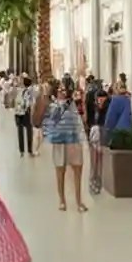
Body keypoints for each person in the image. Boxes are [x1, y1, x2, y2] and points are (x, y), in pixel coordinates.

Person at [40, 81, 87, 212]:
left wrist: (82, 138)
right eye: (60, 90)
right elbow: (50, 121)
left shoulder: (73, 104)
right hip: (59, 141)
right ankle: (62, 200)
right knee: (60, 171)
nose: (63, 92)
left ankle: (79, 201)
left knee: (77, 169)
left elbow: (79, 121)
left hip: (74, 140)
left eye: (64, 90)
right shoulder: (53, 106)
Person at [13, 75, 37, 156]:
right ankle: (29, 150)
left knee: (20, 132)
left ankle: (21, 151)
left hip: (17, 113)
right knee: (29, 131)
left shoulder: (17, 90)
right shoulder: (28, 91)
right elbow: (30, 103)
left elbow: (14, 100)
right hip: (25, 113)